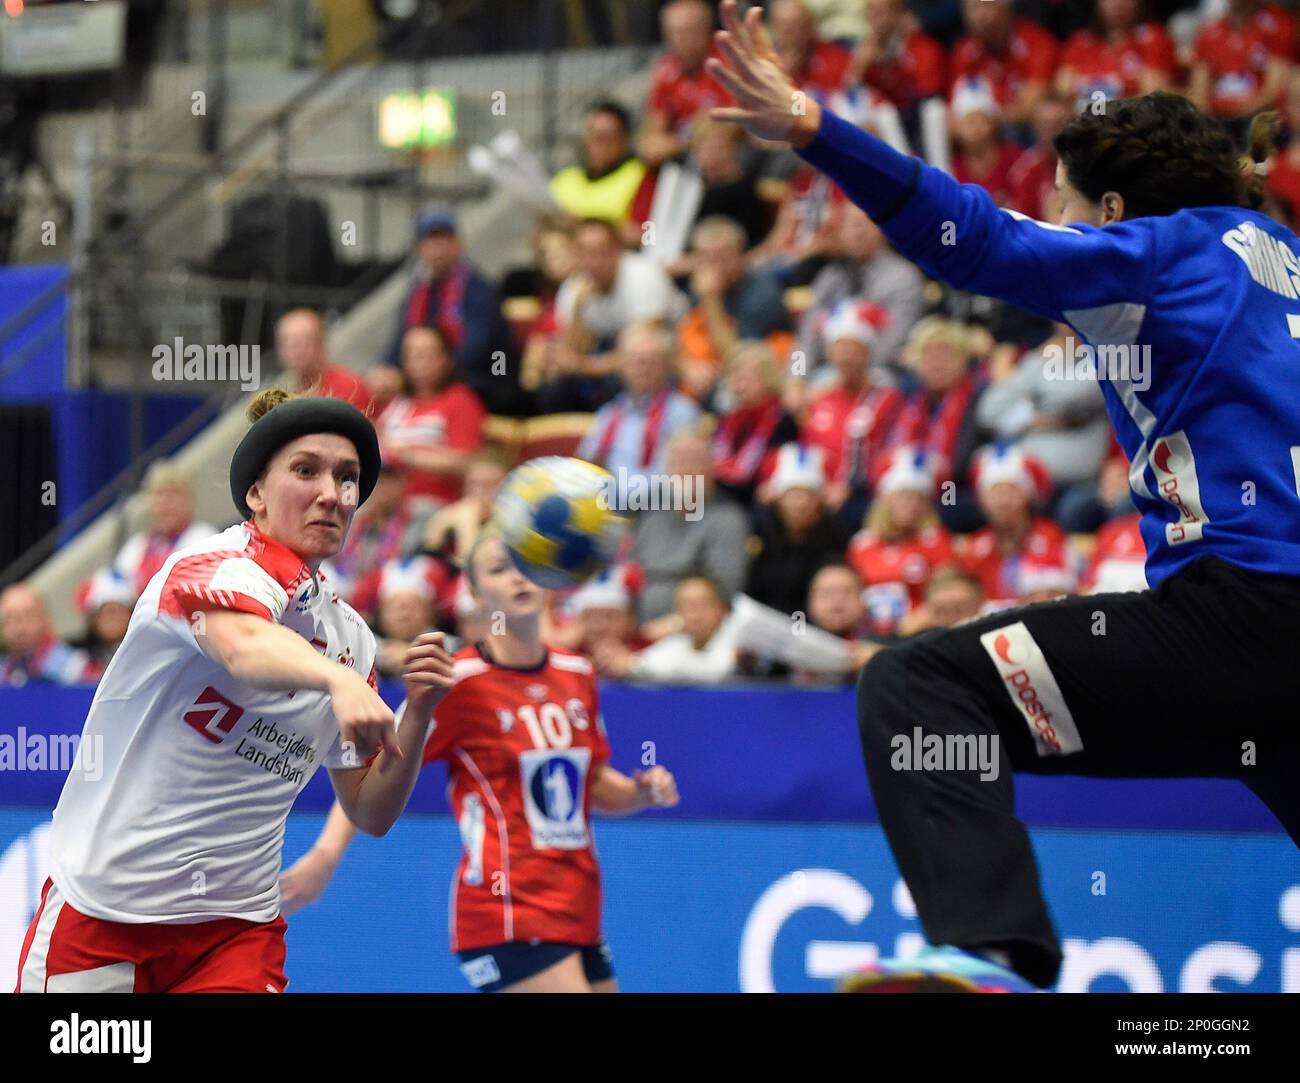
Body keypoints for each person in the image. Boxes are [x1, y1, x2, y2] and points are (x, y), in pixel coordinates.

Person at [709, 0, 1300, 994]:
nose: (1062, 225)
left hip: (1233, 622)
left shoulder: (1157, 256)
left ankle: (985, 956)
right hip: (1268, 672)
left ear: (1111, 214)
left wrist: (816, 128)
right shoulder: (1281, 268)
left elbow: (974, 240)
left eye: (1068, 205)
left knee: (921, 689)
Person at [14, 390, 457, 992]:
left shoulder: (351, 638)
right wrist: (336, 680)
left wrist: (418, 713)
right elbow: (244, 646)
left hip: (235, 931)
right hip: (102, 917)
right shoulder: (209, 566)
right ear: (256, 493)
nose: (332, 492)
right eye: (306, 471)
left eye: (347, 478)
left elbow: (371, 810)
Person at [280, 531, 679, 993]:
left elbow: (591, 787)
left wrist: (640, 792)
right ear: (475, 594)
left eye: (525, 563)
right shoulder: (457, 681)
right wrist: (326, 855)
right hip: (506, 906)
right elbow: (374, 774)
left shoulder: (578, 673)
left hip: (579, 904)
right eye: (497, 569)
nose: (517, 577)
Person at [276, 308, 373, 415]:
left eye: (305, 342)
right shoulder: (284, 396)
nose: (296, 351)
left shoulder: (350, 388)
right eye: (289, 343)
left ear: (321, 344)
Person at [0, 583, 96, 687]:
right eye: (10, 619)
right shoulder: (4, 669)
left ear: (44, 618)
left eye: (27, 616)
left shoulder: (76, 667)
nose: (19, 628)